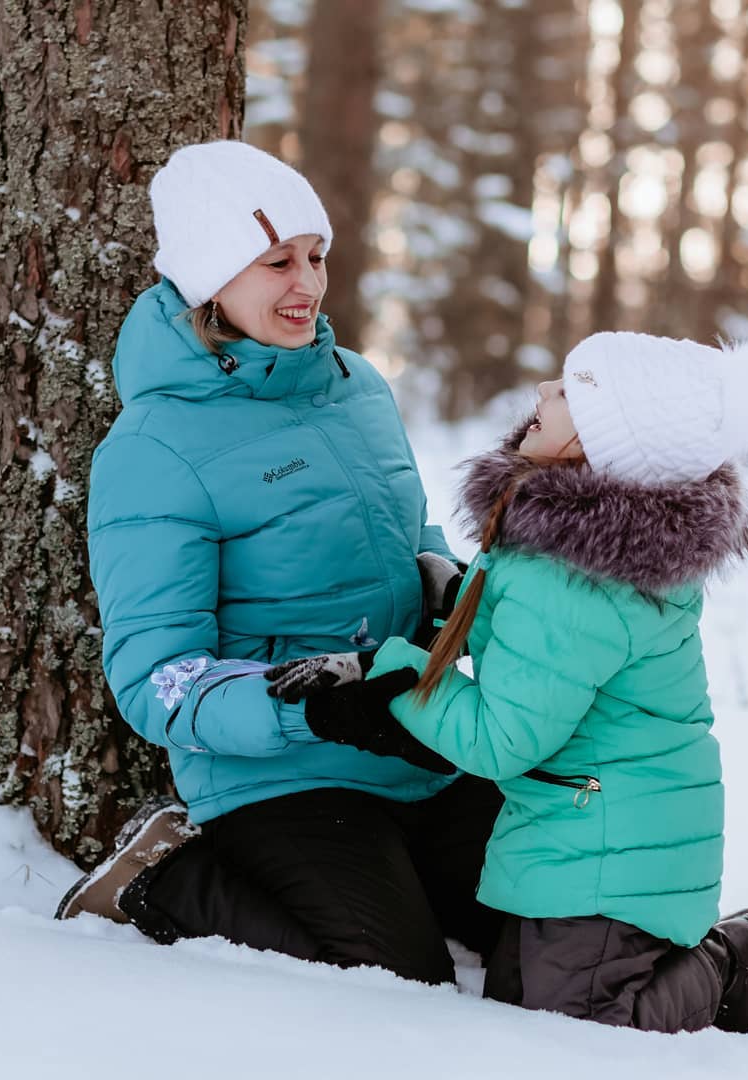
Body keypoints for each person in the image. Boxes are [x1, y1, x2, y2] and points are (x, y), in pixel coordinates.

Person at [265, 331, 748, 1032]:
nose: (544, 393)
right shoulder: (585, 560)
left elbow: (504, 739)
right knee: (519, 999)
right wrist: (467, 598)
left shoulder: (570, 579)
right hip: (593, 826)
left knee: (581, 1021)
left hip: (605, 853)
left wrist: (394, 677)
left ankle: (732, 960)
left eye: (573, 391)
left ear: (610, 446)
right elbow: (549, 645)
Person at [56, 140, 501, 986]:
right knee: (397, 979)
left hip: (416, 741)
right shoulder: (155, 447)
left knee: (548, 925)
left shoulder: (357, 385)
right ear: (208, 278)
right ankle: (165, 882)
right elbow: (157, 678)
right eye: (275, 263)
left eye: (315, 257)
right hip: (280, 774)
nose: (307, 284)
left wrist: (445, 585)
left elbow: (408, 536)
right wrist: (316, 710)